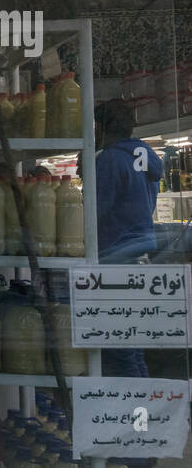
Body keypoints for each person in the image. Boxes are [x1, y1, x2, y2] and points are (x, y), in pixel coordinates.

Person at [95, 99, 164, 392]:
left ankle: (137, 419)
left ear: (98, 127)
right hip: (141, 256)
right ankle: (147, 416)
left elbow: (92, 213)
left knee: (119, 349)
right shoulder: (143, 157)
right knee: (131, 347)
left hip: (115, 258)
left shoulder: (110, 160)